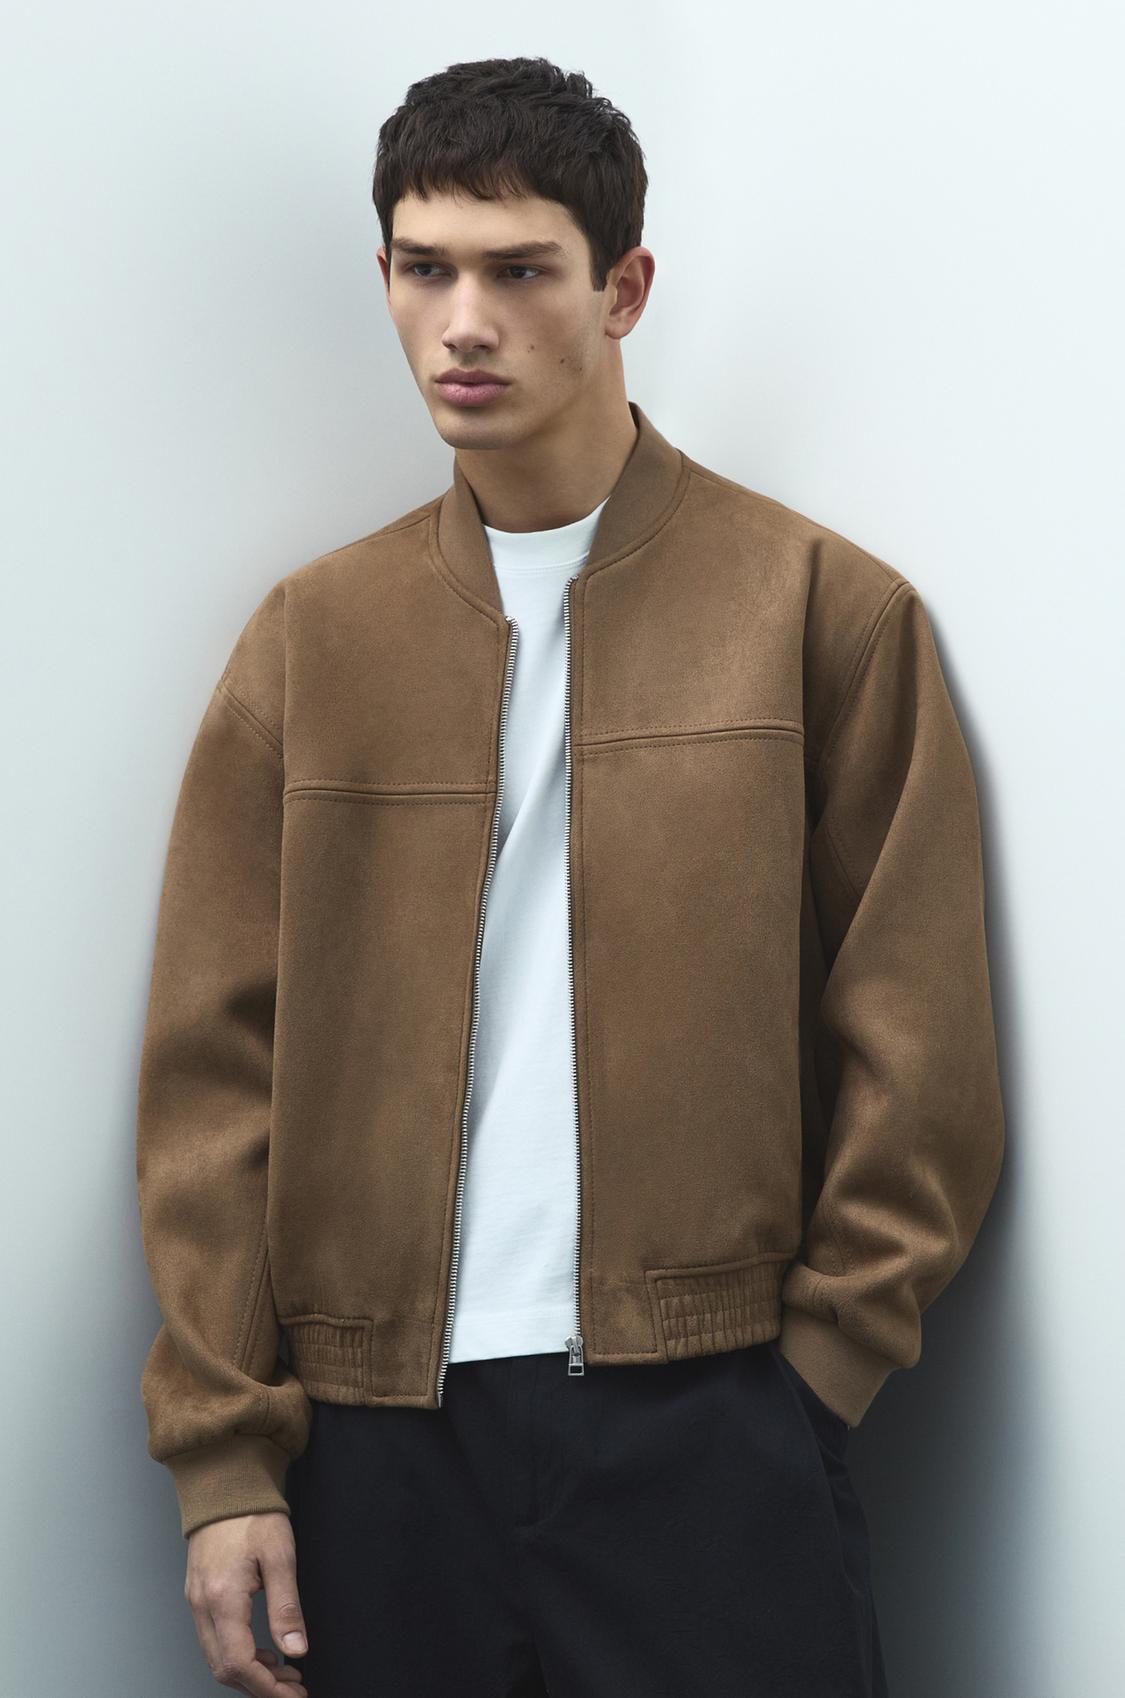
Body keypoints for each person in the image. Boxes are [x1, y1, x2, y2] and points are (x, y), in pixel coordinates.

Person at [135, 54, 1006, 1698]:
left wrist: (809, 1373)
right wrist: (225, 1454)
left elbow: (920, 1051)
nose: (462, 323)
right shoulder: (312, 640)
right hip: (377, 1444)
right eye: (423, 268)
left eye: (519, 271)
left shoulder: (818, 610)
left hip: (711, 1423)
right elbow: (213, 1075)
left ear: (622, 289)